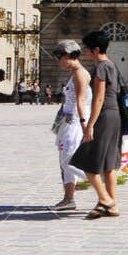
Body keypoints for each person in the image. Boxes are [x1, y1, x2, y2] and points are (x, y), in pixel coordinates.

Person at [71, 30, 124, 219]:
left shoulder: (101, 67)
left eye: (86, 49)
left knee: (86, 160)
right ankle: (113, 206)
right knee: (109, 165)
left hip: (104, 116)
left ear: (95, 49)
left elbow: (99, 98)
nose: (84, 53)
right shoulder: (112, 65)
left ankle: (105, 199)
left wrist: (90, 124)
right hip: (115, 115)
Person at [51, 40, 92, 212]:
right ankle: (69, 198)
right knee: (64, 161)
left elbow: (81, 102)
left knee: (70, 161)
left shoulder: (80, 74)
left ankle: (101, 182)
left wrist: (85, 126)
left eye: (60, 57)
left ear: (68, 55)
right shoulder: (74, 72)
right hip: (67, 123)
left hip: (75, 123)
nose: (58, 61)